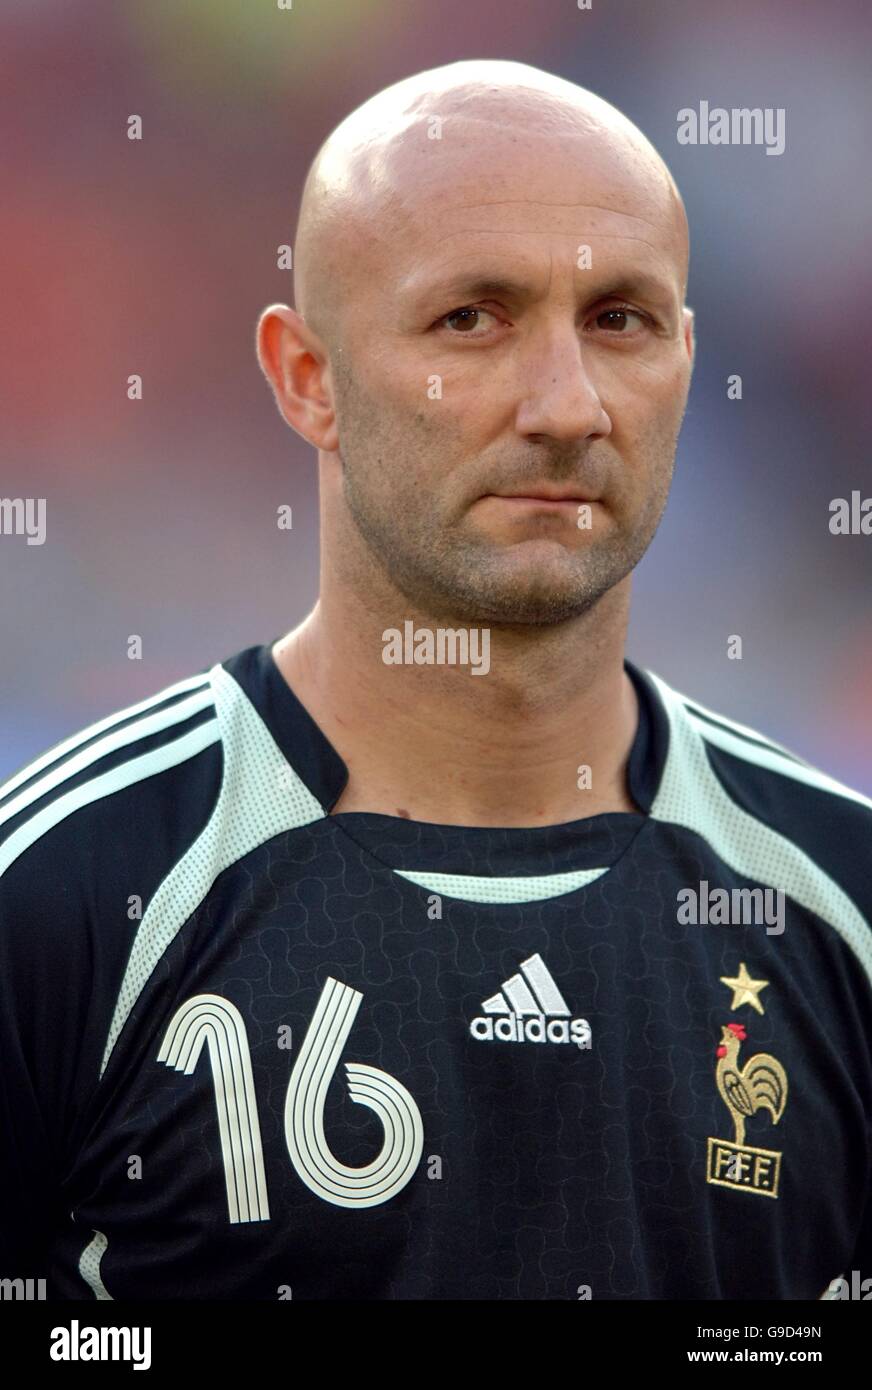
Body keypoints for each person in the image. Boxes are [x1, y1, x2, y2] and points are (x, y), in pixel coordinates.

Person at [1, 59, 869, 1302]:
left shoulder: (836, 901)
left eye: (617, 319)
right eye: (471, 317)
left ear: (683, 360)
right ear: (307, 377)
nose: (566, 404)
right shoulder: (66, 896)